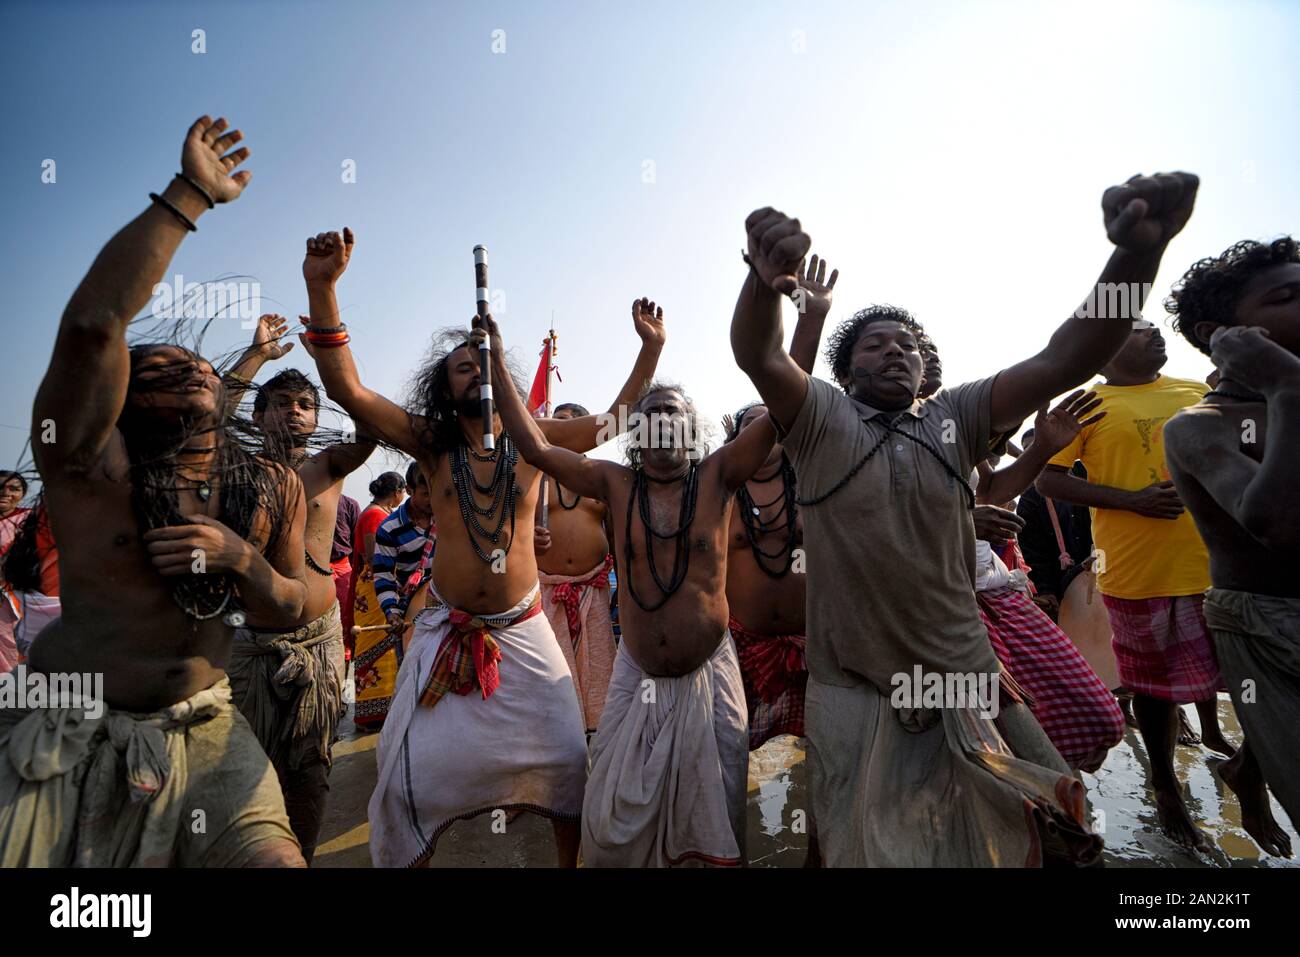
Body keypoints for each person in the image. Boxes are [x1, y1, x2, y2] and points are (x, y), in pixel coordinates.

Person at [730, 171, 1199, 866]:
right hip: (853, 687)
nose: (895, 349)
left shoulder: (959, 415)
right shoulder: (821, 418)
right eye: (874, 344)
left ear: (926, 370)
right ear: (846, 372)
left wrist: (1137, 255)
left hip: (966, 676)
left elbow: (1066, 354)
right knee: (862, 850)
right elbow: (760, 355)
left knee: (1054, 837)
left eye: (908, 345)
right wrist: (765, 285)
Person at [299, 227, 664, 867]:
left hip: (524, 630)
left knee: (568, 769)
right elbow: (348, 391)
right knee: (406, 777)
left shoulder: (535, 440)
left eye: (483, 362)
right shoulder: (431, 442)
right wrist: (322, 288)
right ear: (444, 387)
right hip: (448, 627)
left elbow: (616, 420)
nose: (474, 370)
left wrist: (649, 351)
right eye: (461, 366)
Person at [0, 115, 307, 867]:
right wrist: (188, 197)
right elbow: (92, 326)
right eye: (161, 366)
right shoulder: (87, 469)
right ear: (121, 401)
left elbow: (297, 606)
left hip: (205, 729)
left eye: (197, 364)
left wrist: (242, 560)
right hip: (70, 724)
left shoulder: (259, 484)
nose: (191, 367)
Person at [485, 307, 777, 865]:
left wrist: (798, 317)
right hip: (636, 673)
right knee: (612, 814)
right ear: (635, 433)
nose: (662, 421)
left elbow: (784, 411)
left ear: (690, 431)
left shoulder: (718, 475)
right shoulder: (613, 483)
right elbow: (537, 449)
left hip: (708, 675)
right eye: (651, 414)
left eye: (673, 414)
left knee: (716, 809)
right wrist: (497, 363)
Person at [1036, 318, 1234, 849]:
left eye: (1153, 328)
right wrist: (1134, 502)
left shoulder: (1197, 392)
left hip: (1221, 564)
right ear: (1103, 351)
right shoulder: (1087, 406)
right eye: (1136, 329)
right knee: (1153, 687)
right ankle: (1165, 782)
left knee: (1253, 676)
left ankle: (1248, 769)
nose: (1154, 334)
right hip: (1138, 569)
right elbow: (1047, 479)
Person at [1161, 236, 1300, 857]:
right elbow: (1277, 523)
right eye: (1288, 297)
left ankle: (1250, 763)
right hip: (1272, 626)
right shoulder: (1200, 426)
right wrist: (1287, 388)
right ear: (1222, 334)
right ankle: (1254, 765)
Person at [223, 322, 378, 864]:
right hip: (251, 642)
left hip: (319, 637)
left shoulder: (329, 467)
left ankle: (302, 859)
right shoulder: (236, 468)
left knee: (312, 767)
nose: (294, 412)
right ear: (259, 414)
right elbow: (210, 419)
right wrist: (256, 355)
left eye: (305, 404)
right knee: (247, 764)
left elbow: (369, 427)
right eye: (281, 403)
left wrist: (329, 363)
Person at [972, 395, 1126, 772]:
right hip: (933, 602)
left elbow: (990, 491)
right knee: (991, 738)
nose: (900, 355)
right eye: (877, 345)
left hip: (999, 593)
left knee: (1099, 719)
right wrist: (957, 524)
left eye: (913, 348)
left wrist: (1042, 448)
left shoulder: (957, 433)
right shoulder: (854, 436)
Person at [536, 400, 617, 735]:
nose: (565, 430)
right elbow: (505, 532)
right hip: (545, 591)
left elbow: (618, 535)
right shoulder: (532, 476)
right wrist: (527, 538)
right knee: (549, 675)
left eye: (573, 423)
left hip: (595, 590)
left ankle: (596, 737)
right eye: (558, 423)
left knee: (600, 674)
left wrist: (624, 592)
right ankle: (558, 739)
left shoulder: (602, 476)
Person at [359, 461, 433, 730]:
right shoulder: (389, 529)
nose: (433, 500)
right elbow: (383, 576)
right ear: (409, 490)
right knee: (413, 681)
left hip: (449, 609)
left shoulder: (448, 517)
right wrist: (391, 612)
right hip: (410, 613)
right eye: (426, 494)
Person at [349, 469, 406, 727]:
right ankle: (375, 711)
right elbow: (374, 558)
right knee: (377, 642)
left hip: (375, 585)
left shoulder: (376, 513)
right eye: (404, 492)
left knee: (383, 645)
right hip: (375, 587)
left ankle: (381, 709)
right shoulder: (374, 516)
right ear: (396, 493)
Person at [0, 471, 31, 671]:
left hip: (18, 597)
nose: (5, 493)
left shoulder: (30, 520)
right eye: (1, 487)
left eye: (14, 489)